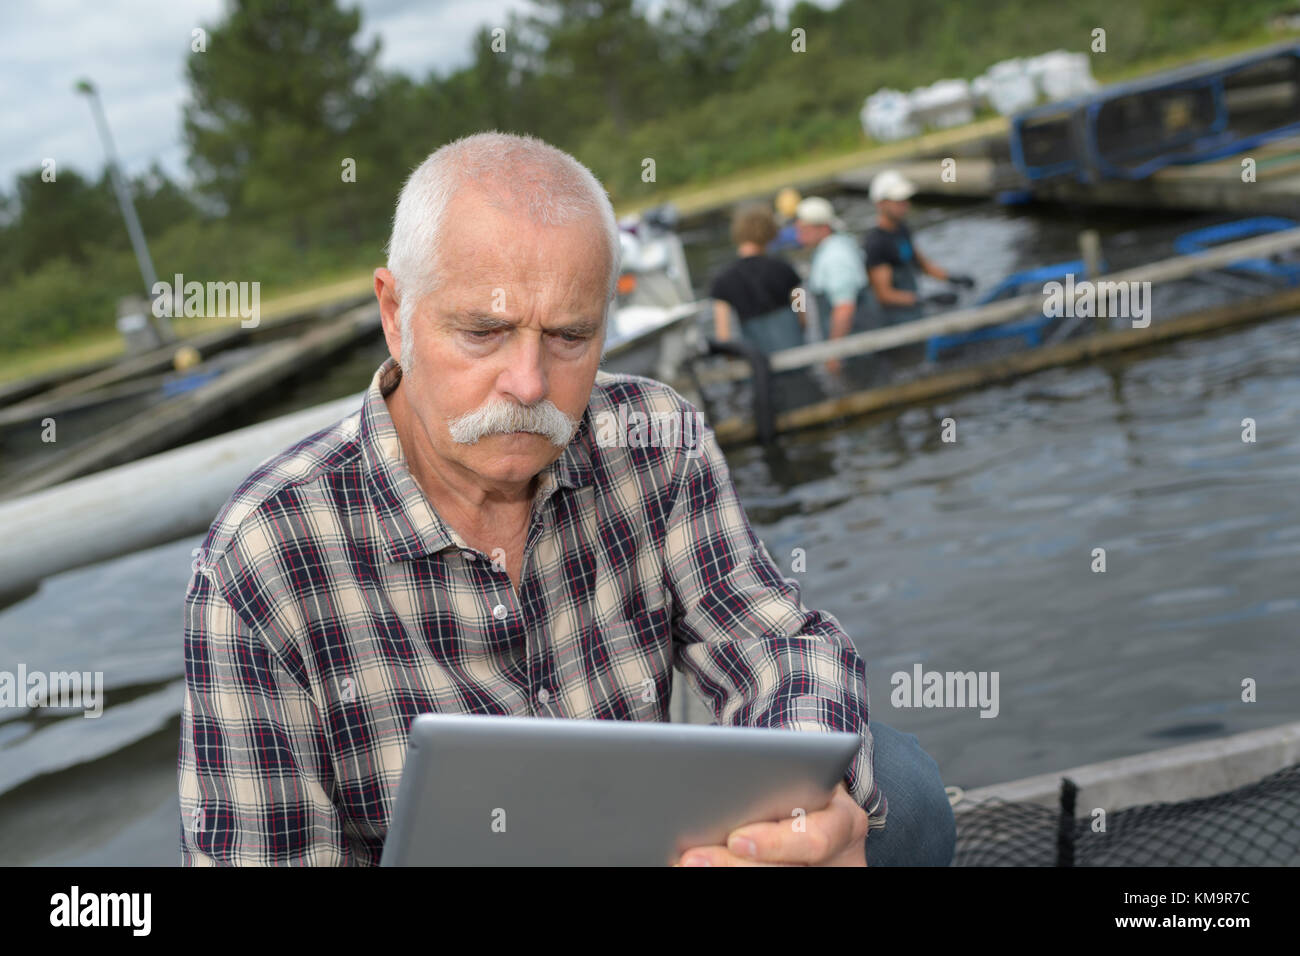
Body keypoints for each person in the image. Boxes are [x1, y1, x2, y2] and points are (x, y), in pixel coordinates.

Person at [178, 131, 955, 867]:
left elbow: (773, 639)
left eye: (569, 337)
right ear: (395, 314)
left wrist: (798, 815)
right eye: (484, 331)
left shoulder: (653, 434)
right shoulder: (260, 558)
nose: (528, 384)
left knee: (900, 786)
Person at [863, 170, 975, 326]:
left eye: (905, 200)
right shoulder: (876, 243)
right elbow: (884, 295)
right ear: (881, 204)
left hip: (914, 310)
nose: (905, 205)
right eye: (898, 201)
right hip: (896, 319)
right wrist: (925, 299)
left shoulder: (901, 229)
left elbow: (921, 263)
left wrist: (952, 278)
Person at [709, 203, 805, 354]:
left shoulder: (723, 280)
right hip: (794, 350)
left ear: (737, 233)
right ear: (770, 231)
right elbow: (801, 310)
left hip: (759, 363)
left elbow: (723, 336)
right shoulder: (784, 268)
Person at [795, 196, 871, 375]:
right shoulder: (835, 246)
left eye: (804, 229)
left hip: (857, 350)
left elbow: (844, 308)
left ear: (823, 228)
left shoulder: (835, 256)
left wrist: (833, 355)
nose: (799, 235)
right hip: (857, 345)